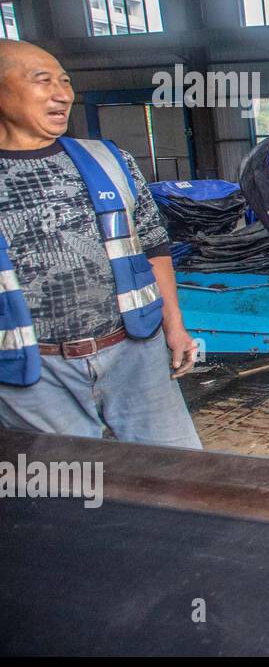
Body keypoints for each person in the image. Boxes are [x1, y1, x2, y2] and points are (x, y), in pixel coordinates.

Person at [0, 40, 201, 448]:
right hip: (32, 373)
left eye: (65, 81)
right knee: (68, 490)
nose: (62, 94)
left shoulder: (109, 161)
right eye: (43, 82)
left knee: (179, 474)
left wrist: (174, 324)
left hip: (134, 350)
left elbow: (153, 243)